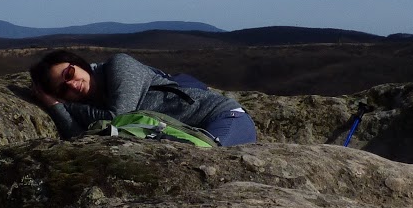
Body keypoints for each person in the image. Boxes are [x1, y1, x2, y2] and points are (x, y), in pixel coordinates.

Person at [28, 49, 258, 146]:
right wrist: (56, 107)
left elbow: (118, 117)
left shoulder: (120, 66)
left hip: (221, 117)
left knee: (210, 160)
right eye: (62, 89)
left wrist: (65, 105)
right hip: (184, 136)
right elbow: (82, 139)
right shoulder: (89, 106)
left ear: (79, 64)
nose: (72, 84)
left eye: (69, 73)